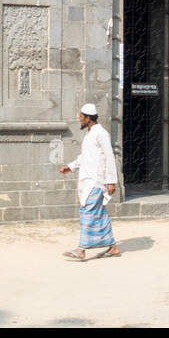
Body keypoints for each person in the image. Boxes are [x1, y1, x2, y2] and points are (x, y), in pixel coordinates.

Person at [57, 103, 121, 260]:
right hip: (87, 180)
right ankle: (113, 247)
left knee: (87, 212)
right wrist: (70, 167)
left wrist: (111, 181)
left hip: (96, 181)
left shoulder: (101, 134)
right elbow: (85, 157)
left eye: (81, 117)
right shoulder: (90, 134)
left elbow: (109, 157)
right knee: (99, 214)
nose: (79, 119)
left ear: (88, 118)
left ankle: (81, 249)